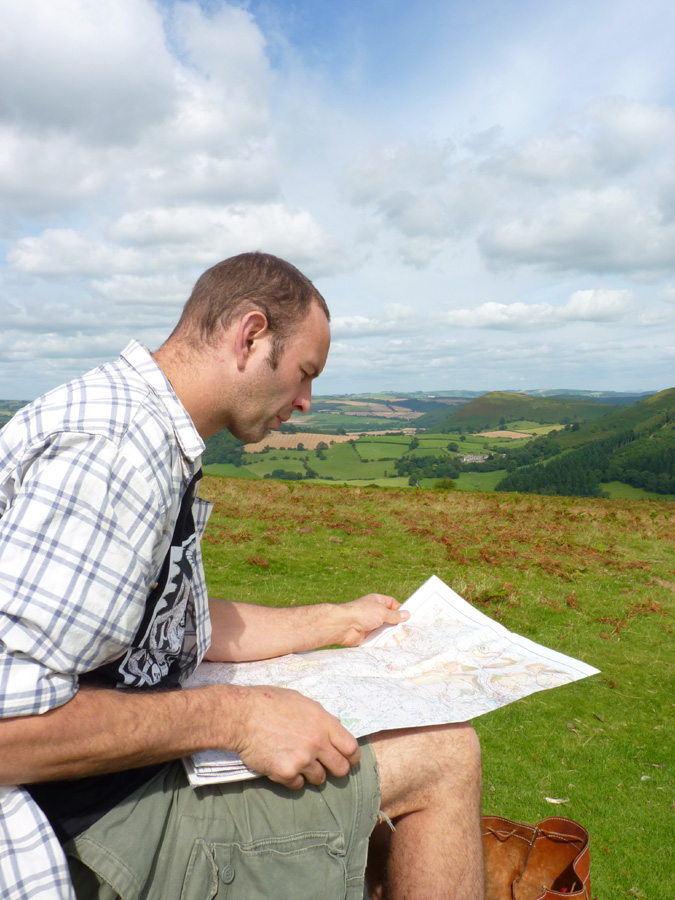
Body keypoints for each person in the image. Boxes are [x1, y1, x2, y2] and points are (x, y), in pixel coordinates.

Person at [0, 252, 483, 900]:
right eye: (304, 374)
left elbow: (164, 623)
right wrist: (238, 718)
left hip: (113, 787)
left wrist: (335, 620)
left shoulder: (134, 423)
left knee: (371, 802)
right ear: (250, 335)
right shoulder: (116, 453)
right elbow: (8, 736)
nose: (307, 403)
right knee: (445, 754)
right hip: (95, 817)